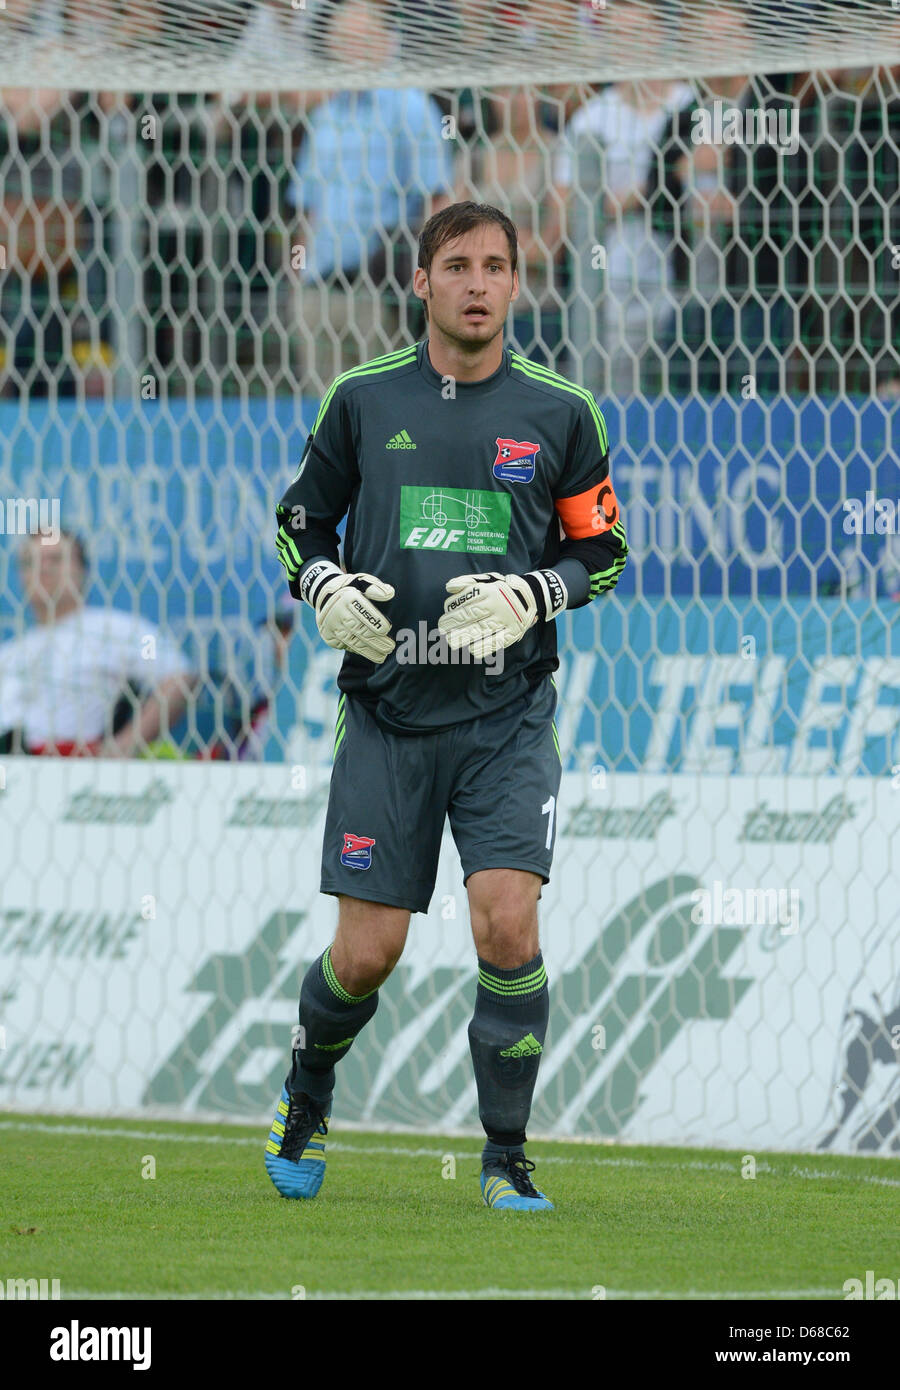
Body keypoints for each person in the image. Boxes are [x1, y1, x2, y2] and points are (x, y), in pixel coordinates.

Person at [269, 200, 628, 1210]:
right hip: (386, 713)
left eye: (498, 266)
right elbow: (302, 520)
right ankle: (306, 1093)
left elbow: (600, 548)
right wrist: (324, 585)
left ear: (518, 284)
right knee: (367, 953)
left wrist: (535, 591)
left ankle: (506, 1154)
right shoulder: (363, 398)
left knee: (506, 922)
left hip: (506, 716)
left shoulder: (560, 414)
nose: (479, 283)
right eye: (458, 266)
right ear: (420, 284)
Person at [286, 0, 454, 394]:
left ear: (384, 41)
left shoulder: (411, 107)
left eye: (359, 38)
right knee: (325, 414)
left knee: (383, 414)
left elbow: (437, 200)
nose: (349, 49)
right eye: (341, 40)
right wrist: (298, 279)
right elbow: (308, 207)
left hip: (378, 290)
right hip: (318, 291)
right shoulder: (325, 114)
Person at [0, 531, 192, 756]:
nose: (43, 569)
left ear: (82, 569)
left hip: (72, 766)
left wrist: (125, 745)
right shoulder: (11, 651)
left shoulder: (122, 631)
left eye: (55, 559)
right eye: (31, 562)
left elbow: (177, 675)